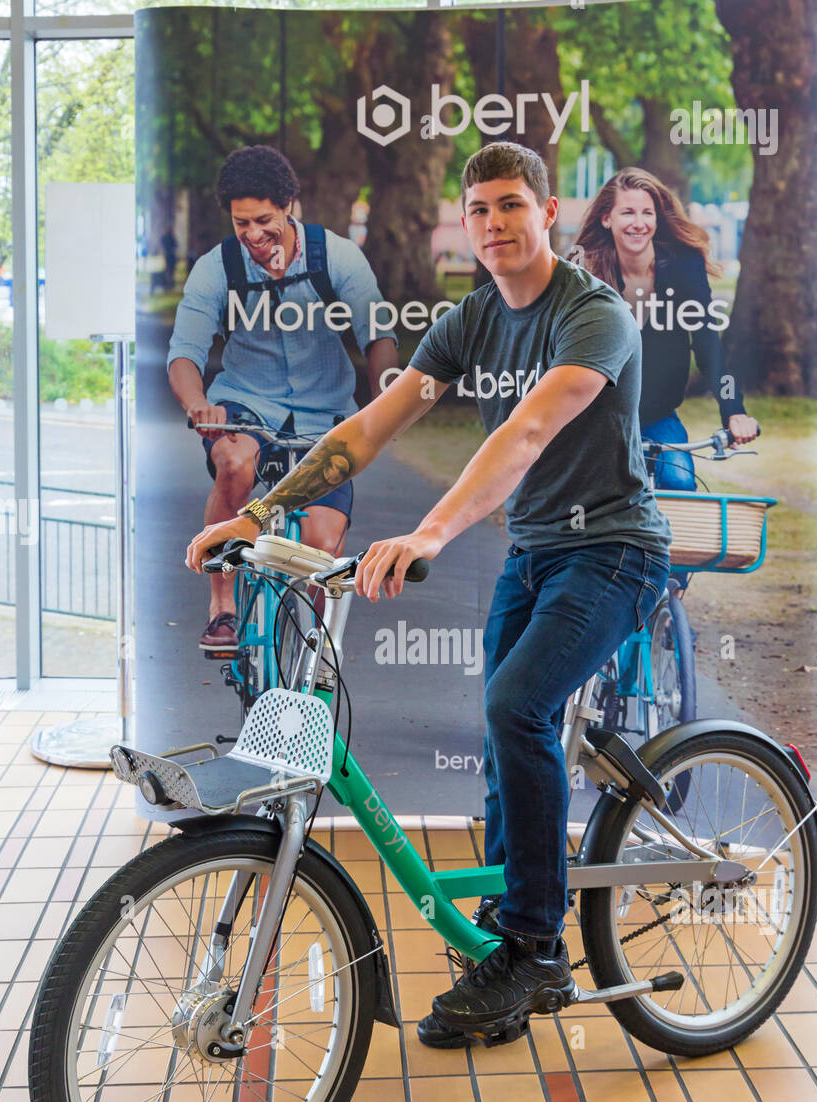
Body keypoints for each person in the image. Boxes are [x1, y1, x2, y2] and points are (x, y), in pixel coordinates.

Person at [186, 140, 672, 1047]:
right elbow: (371, 426)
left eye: (511, 206)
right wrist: (260, 516)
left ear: (550, 211)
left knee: (516, 707)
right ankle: (506, 954)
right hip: (534, 553)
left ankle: (533, 946)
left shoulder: (593, 314)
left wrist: (430, 531)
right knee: (504, 739)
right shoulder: (476, 318)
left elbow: (526, 434)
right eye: (479, 209)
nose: (494, 226)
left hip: (612, 550)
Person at [168, 144, 398, 648]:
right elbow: (185, 350)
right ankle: (223, 603)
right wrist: (197, 405)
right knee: (233, 463)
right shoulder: (218, 267)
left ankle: (314, 653)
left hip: (326, 415)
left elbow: (377, 331)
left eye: (263, 219)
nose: (252, 234)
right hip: (246, 404)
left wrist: (386, 390)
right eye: (240, 222)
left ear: (290, 204)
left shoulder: (335, 255)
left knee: (319, 546)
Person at [574, 167, 758, 491]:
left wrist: (735, 411)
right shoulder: (584, 273)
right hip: (595, 417)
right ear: (607, 219)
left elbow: (709, 348)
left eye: (648, 213)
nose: (638, 223)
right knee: (590, 496)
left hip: (658, 414)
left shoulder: (684, 266)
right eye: (627, 212)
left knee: (680, 483)